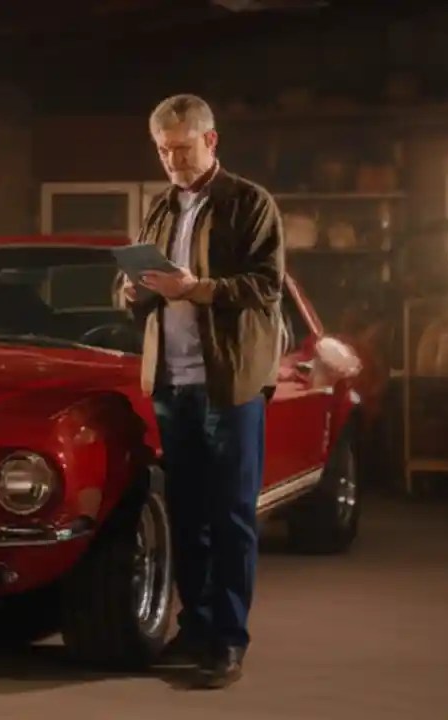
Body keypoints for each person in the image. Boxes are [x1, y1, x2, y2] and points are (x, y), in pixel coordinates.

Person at [120, 93, 284, 689]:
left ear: (211, 141)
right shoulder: (160, 207)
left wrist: (197, 288)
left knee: (233, 514)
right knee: (187, 515)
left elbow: (266, 286)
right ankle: (195, 626)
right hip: (172, 380)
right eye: (163, 151)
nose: (173, 162)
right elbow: (134, 289)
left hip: (229, 382)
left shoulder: (250, 203)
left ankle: (228, 640)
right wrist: (134, 290)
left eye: (183, 150)